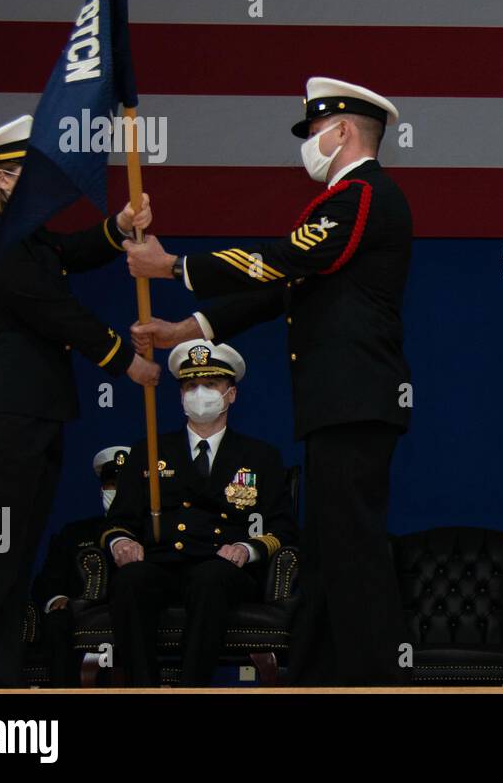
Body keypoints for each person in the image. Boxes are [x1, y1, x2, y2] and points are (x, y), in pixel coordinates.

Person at [121, 77, 414, 685]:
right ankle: (318, 675)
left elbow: (284, 260)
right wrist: (191, 328)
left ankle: (376, 680)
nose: (308, 142)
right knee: (330, 553)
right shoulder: (348, 200)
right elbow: (282, 289)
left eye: (313, 130)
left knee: (353, 551)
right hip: (337, 402)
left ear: (343, 131)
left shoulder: (362, 195)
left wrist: (174, 266)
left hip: (354, 398)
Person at [0, 115, 159, 688]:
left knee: (13, 560)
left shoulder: (23, 238)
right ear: (6, 180)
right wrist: (123, 359)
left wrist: (118, 226)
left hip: (29, 415)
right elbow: (49, 306)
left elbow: (69, 253)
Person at [101, 340, 297, 686]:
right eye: (191, 386)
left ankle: (192, 691)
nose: (200, 393)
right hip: (162, 561)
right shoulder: (149, 450)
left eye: (211, 385)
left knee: (210, 579)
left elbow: (282, 524)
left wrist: (247, 549)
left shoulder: (260, 456)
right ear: (180, 397)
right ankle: (142, 691)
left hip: (222, 567)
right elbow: (120, 519)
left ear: (231, 394)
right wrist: (121, 544)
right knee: (131, 581)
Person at [29, 445, 129, 686]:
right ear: (102, 487)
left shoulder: (154, 532)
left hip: (131, 612)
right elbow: (47, 582)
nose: (117, 491)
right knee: (56, 620)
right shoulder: (74, 533)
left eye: (125, 485)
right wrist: (58, 600)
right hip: (77, 613)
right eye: (112, 483)